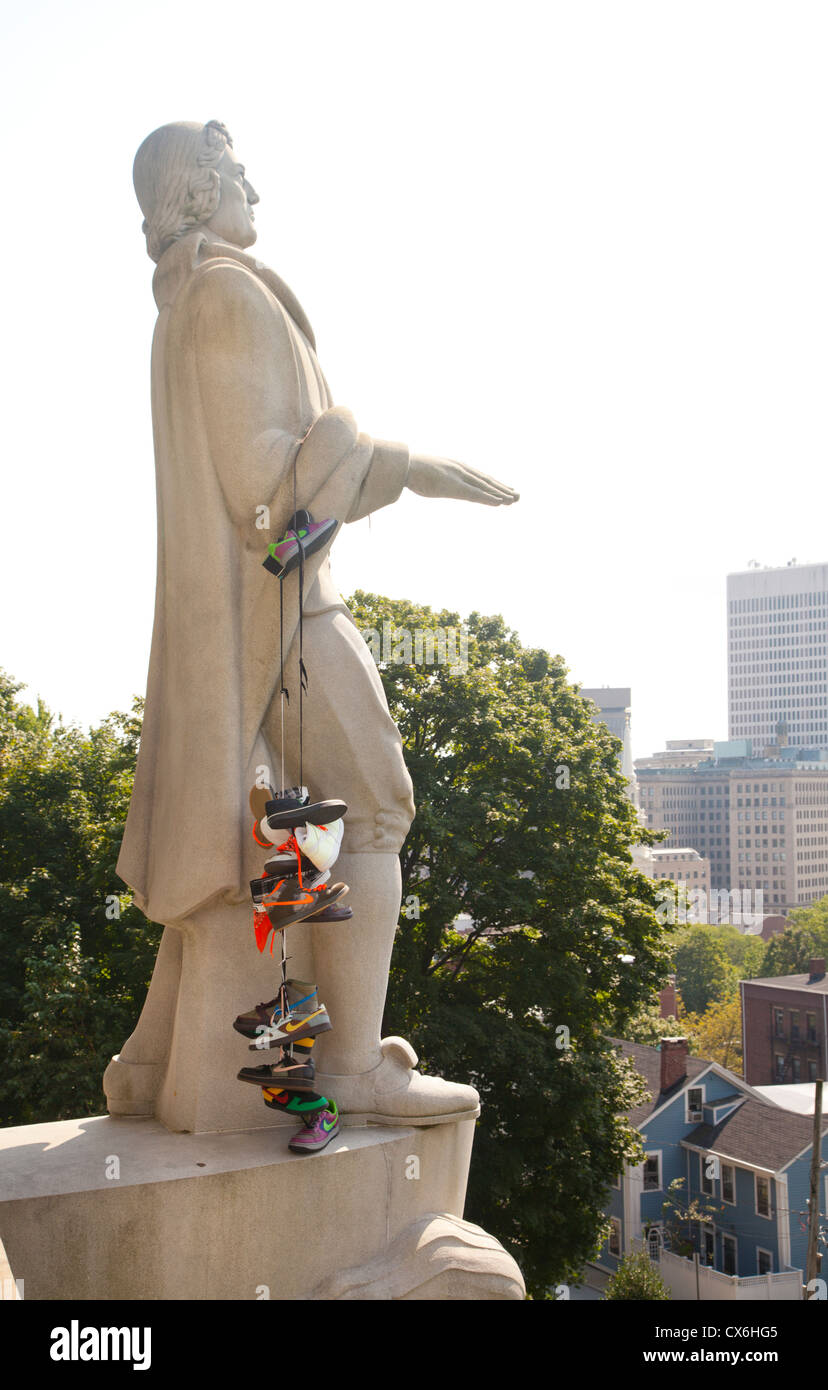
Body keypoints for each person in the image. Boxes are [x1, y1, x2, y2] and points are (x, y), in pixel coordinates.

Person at [104, 120, 518, 1132]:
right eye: (238, 173)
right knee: (374, 809)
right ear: (197, 195)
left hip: (253, 623)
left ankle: (284, 1056)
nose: (257, 190)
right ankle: (350, 1063)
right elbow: (267, 498)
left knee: (300, 826)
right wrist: (398, 464)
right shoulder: (228, 295)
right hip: (285, 611)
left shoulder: (191, 306)